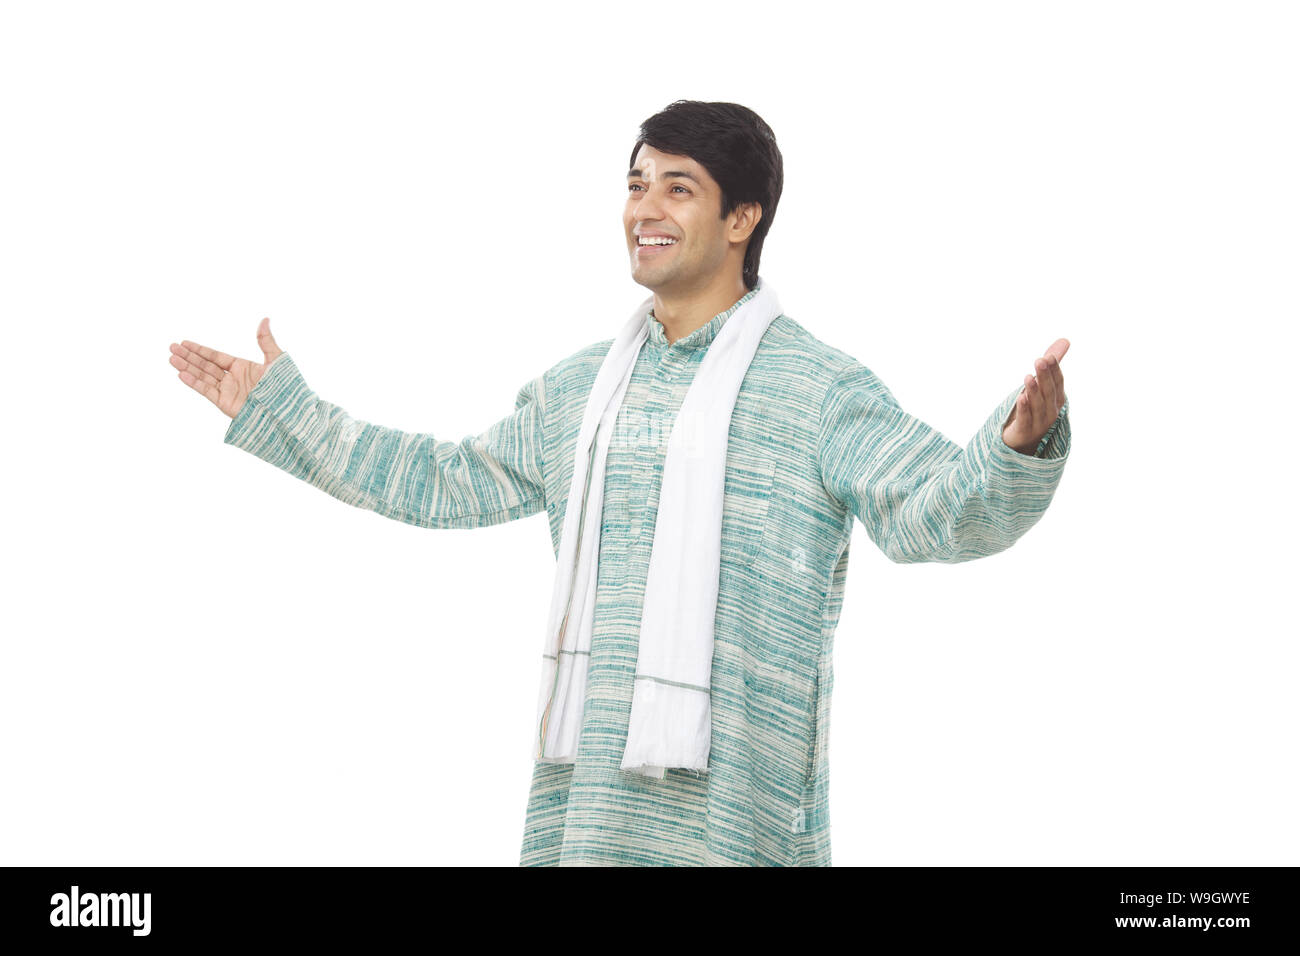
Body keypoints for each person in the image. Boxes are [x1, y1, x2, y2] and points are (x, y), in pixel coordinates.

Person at [169, 100, 1071, 866]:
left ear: (742, 219)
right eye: (637, 183)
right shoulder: (579, 392)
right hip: (586, 815)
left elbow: (933, 515)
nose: (646, 205)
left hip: (737, 823)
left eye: (680, 187)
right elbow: (440, 482)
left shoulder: (817, 390)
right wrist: (289, 414)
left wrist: (1016, 447)